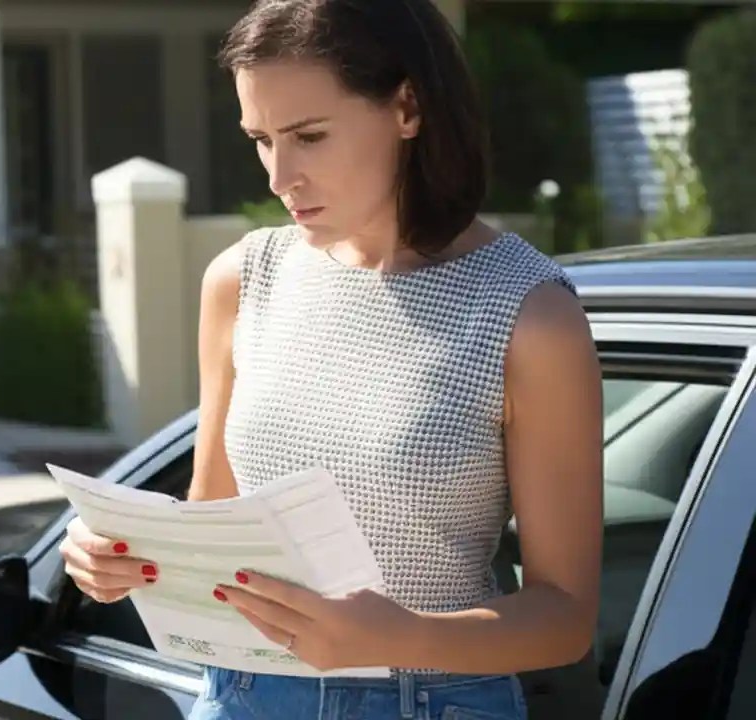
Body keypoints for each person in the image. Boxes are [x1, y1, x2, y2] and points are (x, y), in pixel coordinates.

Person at [59, 0, 604, 717]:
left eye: (308, 136)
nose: (279, 176)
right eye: (261, 139)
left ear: (407, 106)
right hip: (240, 696)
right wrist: (121, 553)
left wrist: (406, 634)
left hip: (427, 702)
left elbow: (564, 619)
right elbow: (213, 514)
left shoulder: (529, 314)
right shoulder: (242, 279)